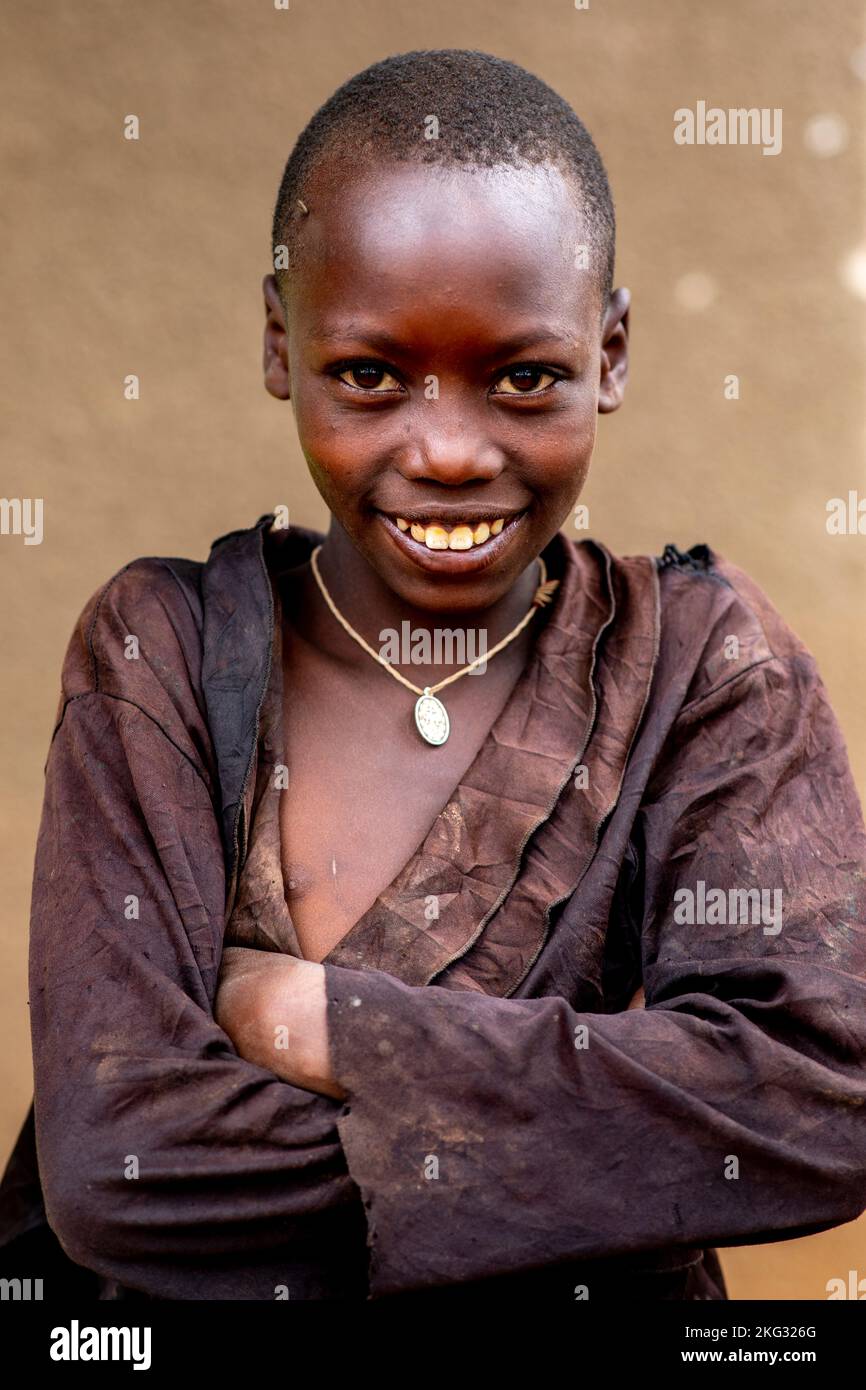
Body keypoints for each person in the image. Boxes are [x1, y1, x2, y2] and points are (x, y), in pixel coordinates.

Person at [1, 49, 865, 1302]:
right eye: (369, 373)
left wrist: (326, 1025)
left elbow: (814, 1102)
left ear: (609, 354)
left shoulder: (701, 669)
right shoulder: (164, 657)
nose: (449, 449)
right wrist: (589, 1143)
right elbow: (122, 1168)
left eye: (523, 376)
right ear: (278, 345)